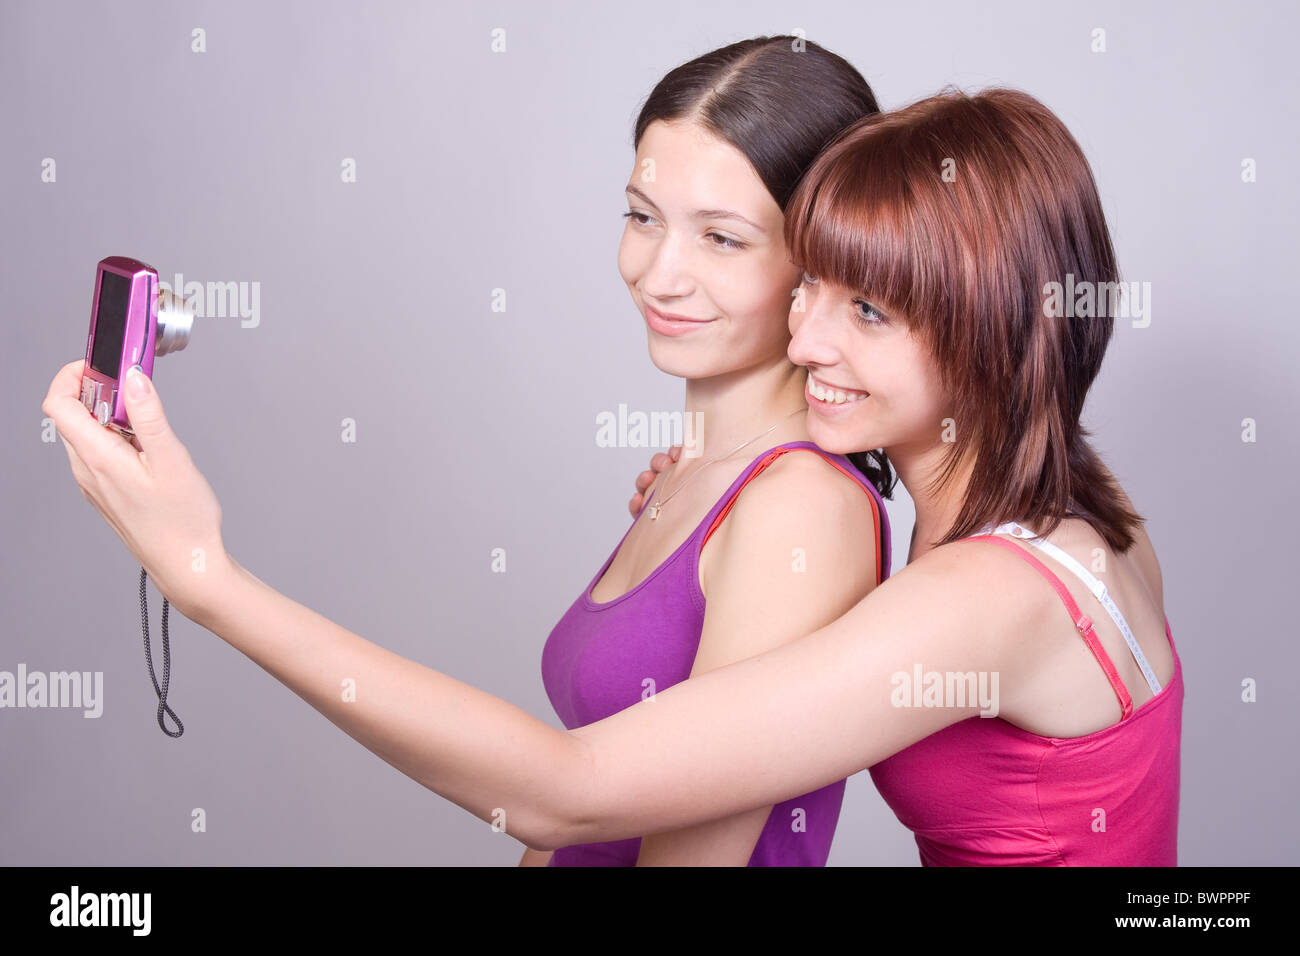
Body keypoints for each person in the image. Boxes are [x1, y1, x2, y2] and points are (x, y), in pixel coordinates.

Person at [43, 84, 1181, 866]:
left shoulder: (983, 597)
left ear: (991, 326)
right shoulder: (1087, 518)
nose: (807, 339)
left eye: (868, 309)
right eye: (813, 286)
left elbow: (570, 790)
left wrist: (207, 577)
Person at [532, 37, 893, 866]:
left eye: (722, 239)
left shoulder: (798, 509)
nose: (659, 276)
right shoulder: (693, 473)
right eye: (643, 217)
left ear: (822, 260)